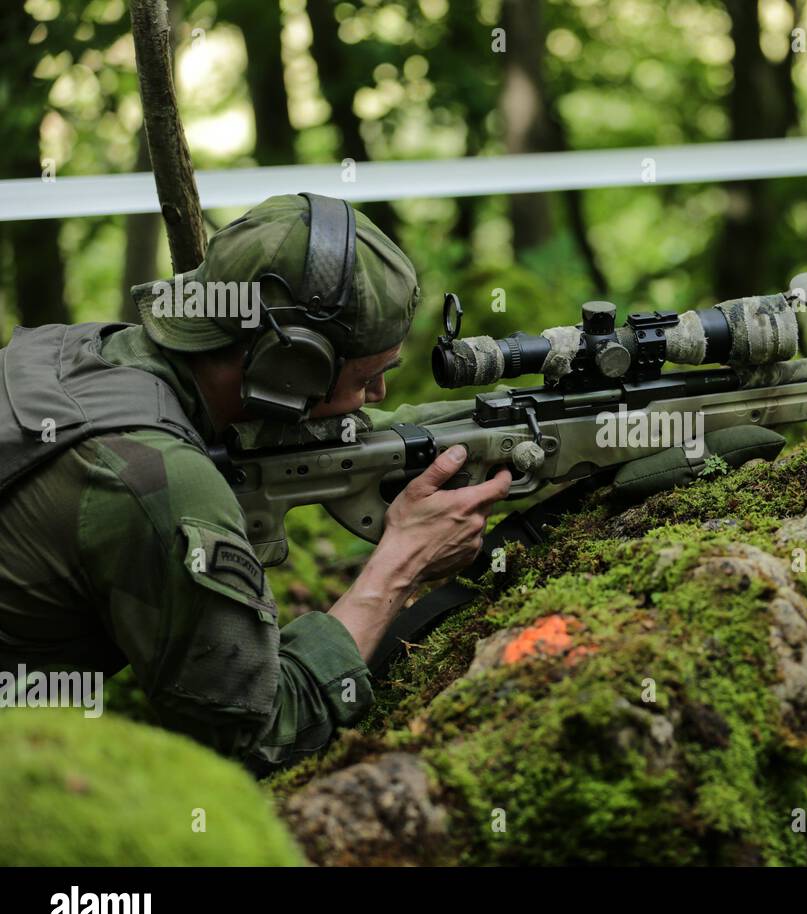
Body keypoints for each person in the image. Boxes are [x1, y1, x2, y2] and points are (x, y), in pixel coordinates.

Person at [0, 193, 511, 774]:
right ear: (290, 367)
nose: (378, 398)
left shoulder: (87, 357)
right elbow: (254, 736)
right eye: (368, 378)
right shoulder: (153, 481)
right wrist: (401, 564)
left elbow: (338, 432)